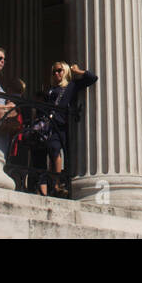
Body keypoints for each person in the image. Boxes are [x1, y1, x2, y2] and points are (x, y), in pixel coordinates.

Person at [39, 61, 96, 196]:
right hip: (47, 125)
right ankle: (44, 190)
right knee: (44, 154)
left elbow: (92, 78)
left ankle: (56, 183)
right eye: (54, 72)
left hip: (60, 125)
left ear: (65, 71)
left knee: (55, 150)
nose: (57, 73)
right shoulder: (51, 89)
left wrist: (78, 71)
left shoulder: (71, 86)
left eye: (59, 70)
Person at [0, 46, 22, 156]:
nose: (3, 61)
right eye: (0, 58)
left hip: (2, 126)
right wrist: (8, 107)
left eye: (4, 59)